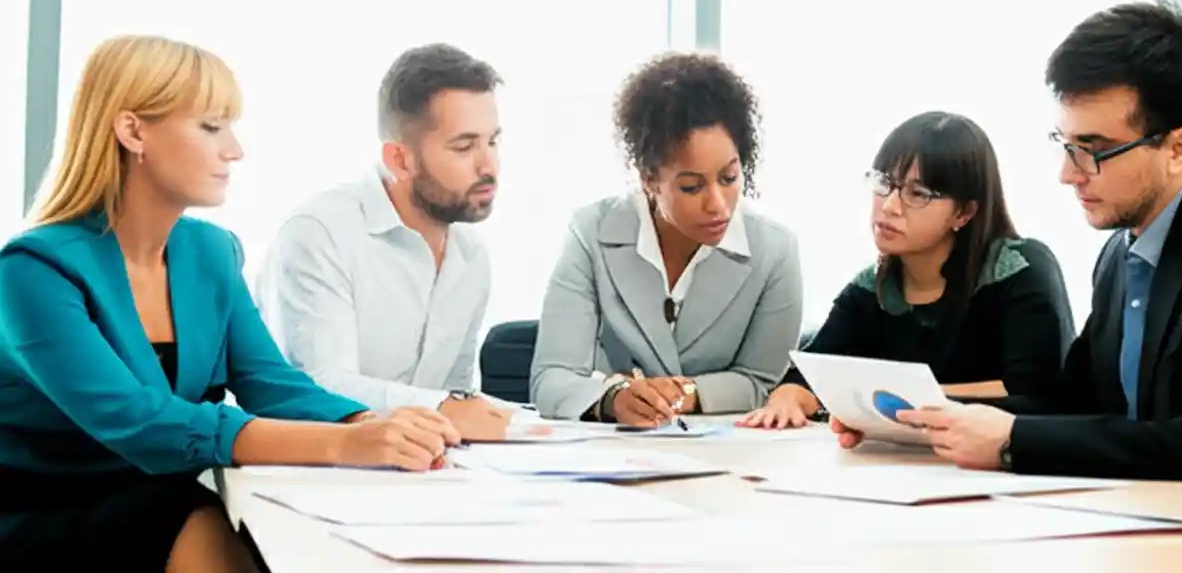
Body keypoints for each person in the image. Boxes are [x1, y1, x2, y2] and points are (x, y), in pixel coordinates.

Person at [0, 36, 460, 570]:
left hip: (157, 495)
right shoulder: (32, 272)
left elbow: (271, 383)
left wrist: (363, 421)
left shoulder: (212, 253)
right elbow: (140, 422)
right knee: (200, 521)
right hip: (39, 513)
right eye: (211, 127)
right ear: (132, 131)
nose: (234, 150)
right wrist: (347, 446)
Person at [855, 1, 1182, 491]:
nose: (1068, 173)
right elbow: (1064, 403)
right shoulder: (1122, 254)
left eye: (1093, 150)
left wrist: (1016, 441)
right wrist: (916, 421)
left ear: (1179, 149)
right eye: (1065, 143)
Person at [740, 112, 1074, 430]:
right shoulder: (870, 289)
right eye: (884, 183)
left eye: (918, 193)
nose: (889, 206)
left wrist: (904, 403)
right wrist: (787, 400)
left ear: (965, 212)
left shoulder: (1019, 270)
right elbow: (808, 376)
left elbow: (1033, 393)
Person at [531, 52, 803, 425]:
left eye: (729, 178)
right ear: (648, 178)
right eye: (691, 186)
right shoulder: (590, 233)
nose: (718, 205)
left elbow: (765, 382)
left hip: (729, 459)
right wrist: (612, 399)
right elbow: (551, 379)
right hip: (608, 461)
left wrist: (688, 393)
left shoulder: (775, 250)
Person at [255, 43, 510, 441]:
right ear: (399, 160)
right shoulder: (319, 233)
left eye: (492, 142)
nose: (489, 166)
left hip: (420, 471)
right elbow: (317, 386)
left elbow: (458, 399)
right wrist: (443, 408)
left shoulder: (471, 254)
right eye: (464, 147)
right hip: (312, 472)